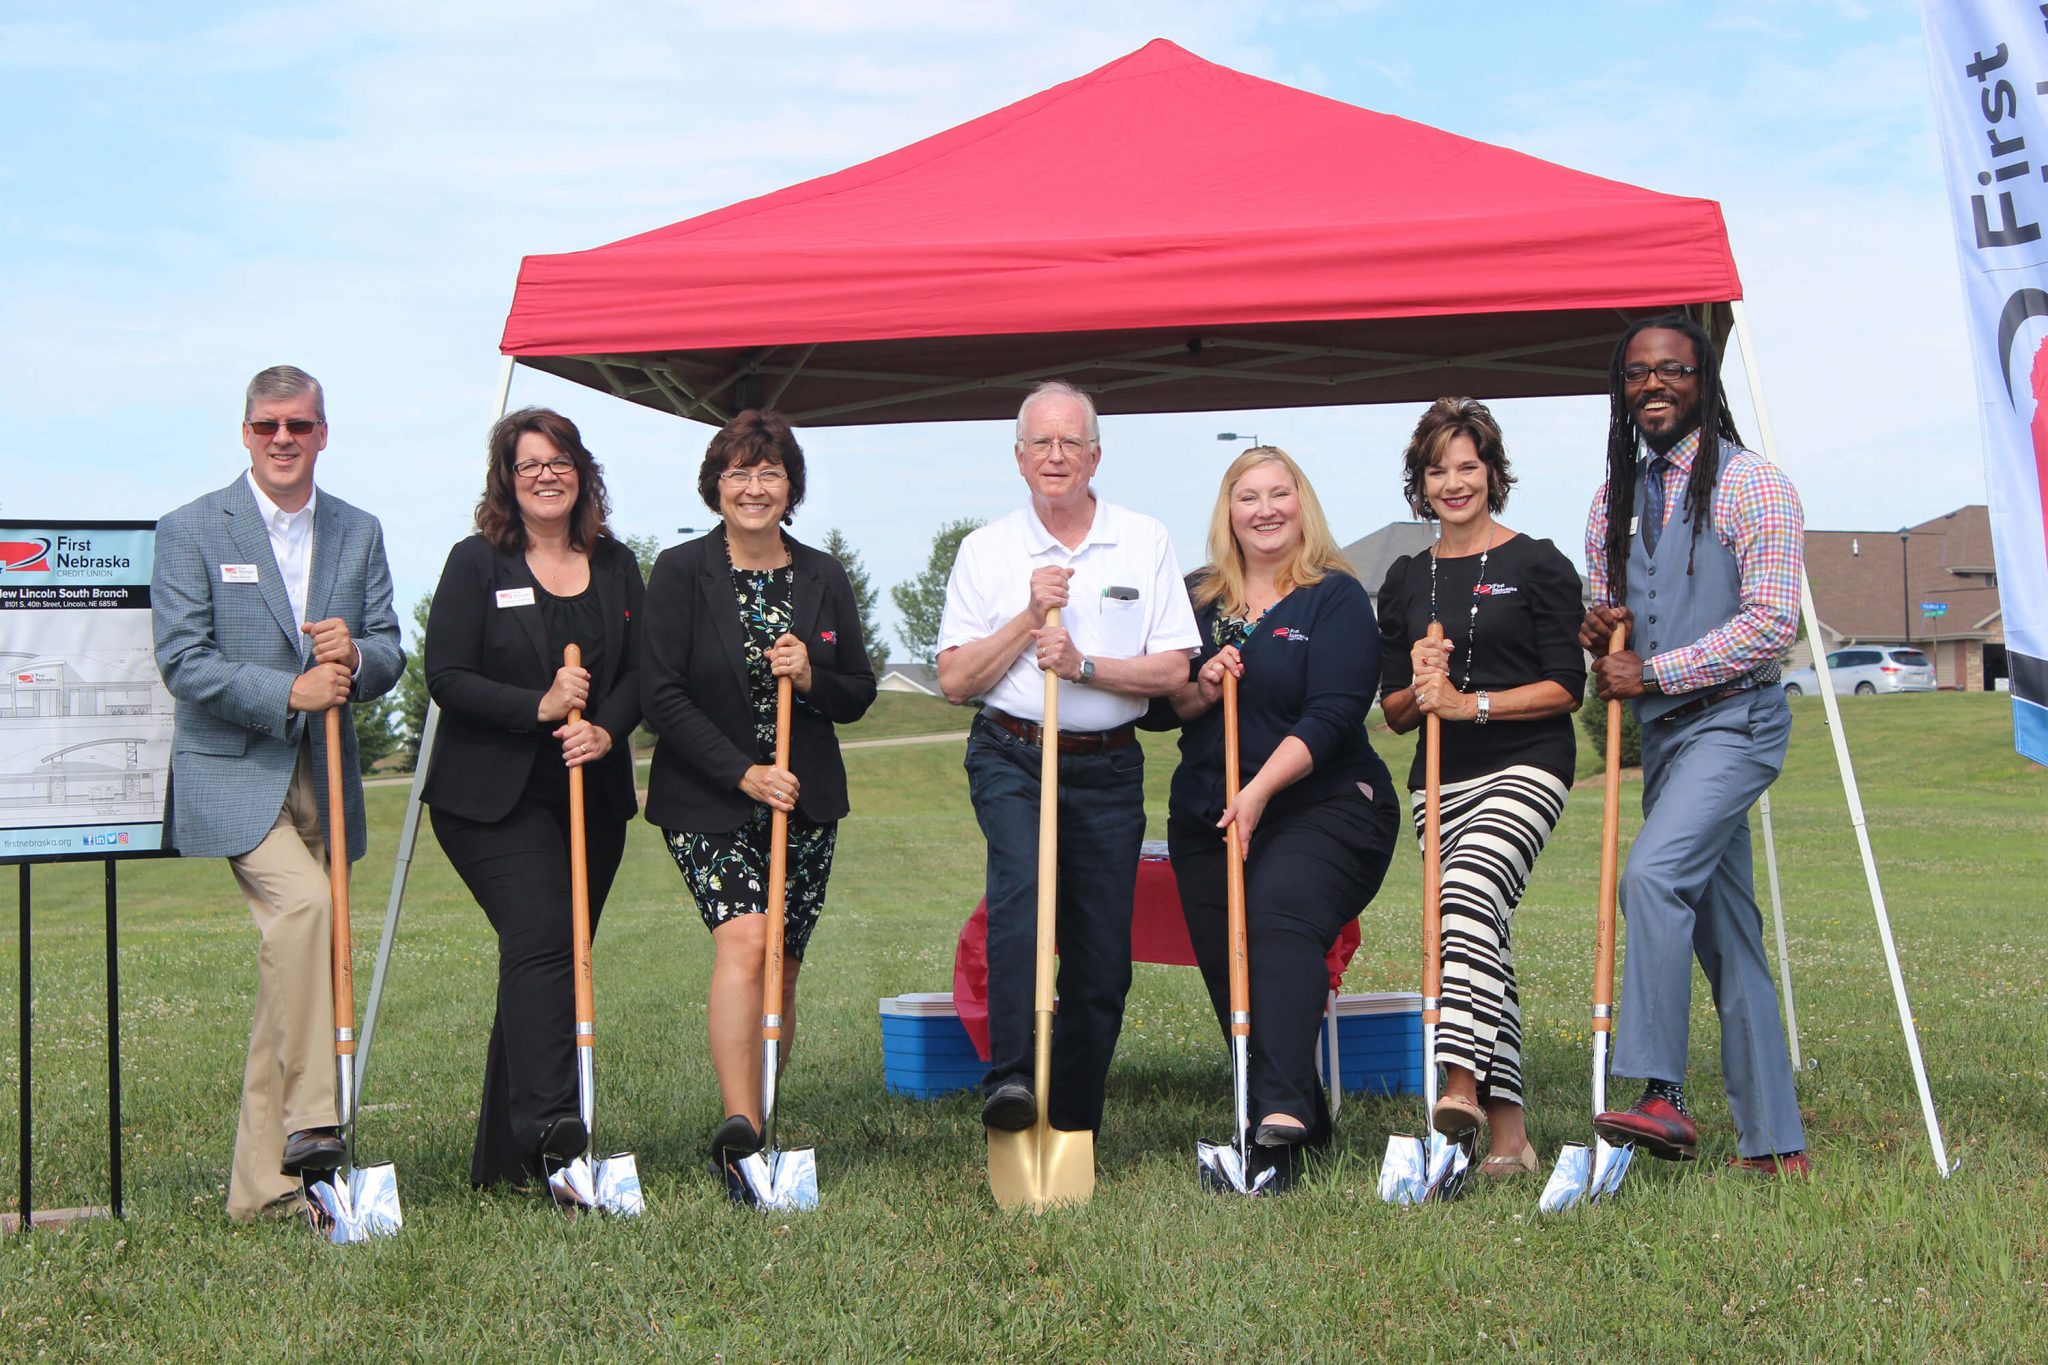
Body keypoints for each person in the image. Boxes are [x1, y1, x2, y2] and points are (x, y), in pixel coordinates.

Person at [150, 365, 404, 1221]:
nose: (284, 439)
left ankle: (258, 1193)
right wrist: (285, 690)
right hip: (234, 772)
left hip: (328, 775)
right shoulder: (190, 529)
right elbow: (183, 660)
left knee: (286, 980)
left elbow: (391, 649)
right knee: (306, 915)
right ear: (246, 434)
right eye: (268, 426)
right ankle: (314, 1127)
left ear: (323, 433)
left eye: (299, 425)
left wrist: (356, 658)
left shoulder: (359, 530)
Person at [1579, 313, 1811, 1177]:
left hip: (1737, 721)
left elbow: (1770, 623)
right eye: (1638, 373)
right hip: (1669, 739)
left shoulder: (1754, 484)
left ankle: (1660, 1093)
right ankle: (1776, 1145)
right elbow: (1608, 621)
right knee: (1727, 933)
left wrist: (1655, 671)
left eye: (1672, 369)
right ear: (1622, 387)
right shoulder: (1614, 496)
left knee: (1652, 874)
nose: (1654, 385)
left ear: (1703, 380)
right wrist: (1598, 628)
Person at [937, 380, 1200, 1136]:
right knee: (1020, 902)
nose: (1056, 457)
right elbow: (956, 680)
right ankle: (1013, 1080)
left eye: (1070, 443)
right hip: (1013, 754)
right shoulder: (987, 551)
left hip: (1109, 765)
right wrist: (1027, 617)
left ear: (1095, 454)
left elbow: (1173, 670)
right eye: (1041, 444)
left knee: (1101, 956)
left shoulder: (1143, 540)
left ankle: (1075, 1117)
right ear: (1019, 458)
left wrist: (1084, 664)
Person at [1155, 445, 1398, 1186]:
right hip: (1209, 814)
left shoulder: (1336, 597)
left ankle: (1278, 1114)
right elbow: (1160, 712)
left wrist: (1258, 791)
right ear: (1228, 512)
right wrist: (1200, 682)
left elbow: (1333, 714)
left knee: (1279, 911)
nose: (1264, 509)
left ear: (1303, 503)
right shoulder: (1196, 599)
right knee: (1231, 966)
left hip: (1325, 806)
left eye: (1278, 493)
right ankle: (1297, 1116)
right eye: (1247, 495)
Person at [641, 410, 876, 1174]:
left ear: (790, 486)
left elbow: (858, 692)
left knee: (782, 960)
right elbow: (660, 695)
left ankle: (765, 1115)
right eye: (738, 472)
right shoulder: (679, 572)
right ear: (715, 485)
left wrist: (812, 676)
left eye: (768, 472)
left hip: (804, 800)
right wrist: (743, 771)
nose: (753, 487)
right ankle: (738, 1125)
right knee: (745, 939)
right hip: (710, 796)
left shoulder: (822, 575)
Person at [422, 407, 644, 1187]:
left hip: (590, 794)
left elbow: (641, 673)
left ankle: (503, 1165)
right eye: (529, 464)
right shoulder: (476, 562)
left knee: (548, 958)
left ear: (582, 471)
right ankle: (554, 1125)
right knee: (545, 934)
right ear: (506, 479)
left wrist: (605, 732)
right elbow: (445, 675)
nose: (546, 474)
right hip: (489, 798)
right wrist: (540, 707)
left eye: (560, 460)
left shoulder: (617, 565)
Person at [1375, 398, 1585, 1180]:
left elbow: (1568, 684)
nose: (1454, 482)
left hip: (1526, 764)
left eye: (1468, 466)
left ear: (1494, 474)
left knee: (1465, 891)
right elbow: (1393, 710)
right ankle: (1510, 1139)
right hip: (1441, 780)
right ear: (1420, 482)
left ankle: (1457, 1078)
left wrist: (1473, 703)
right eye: (1438, 469)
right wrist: (1422, 688)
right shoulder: (1405, 578)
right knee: (1478, 931)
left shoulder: (1537, 564)